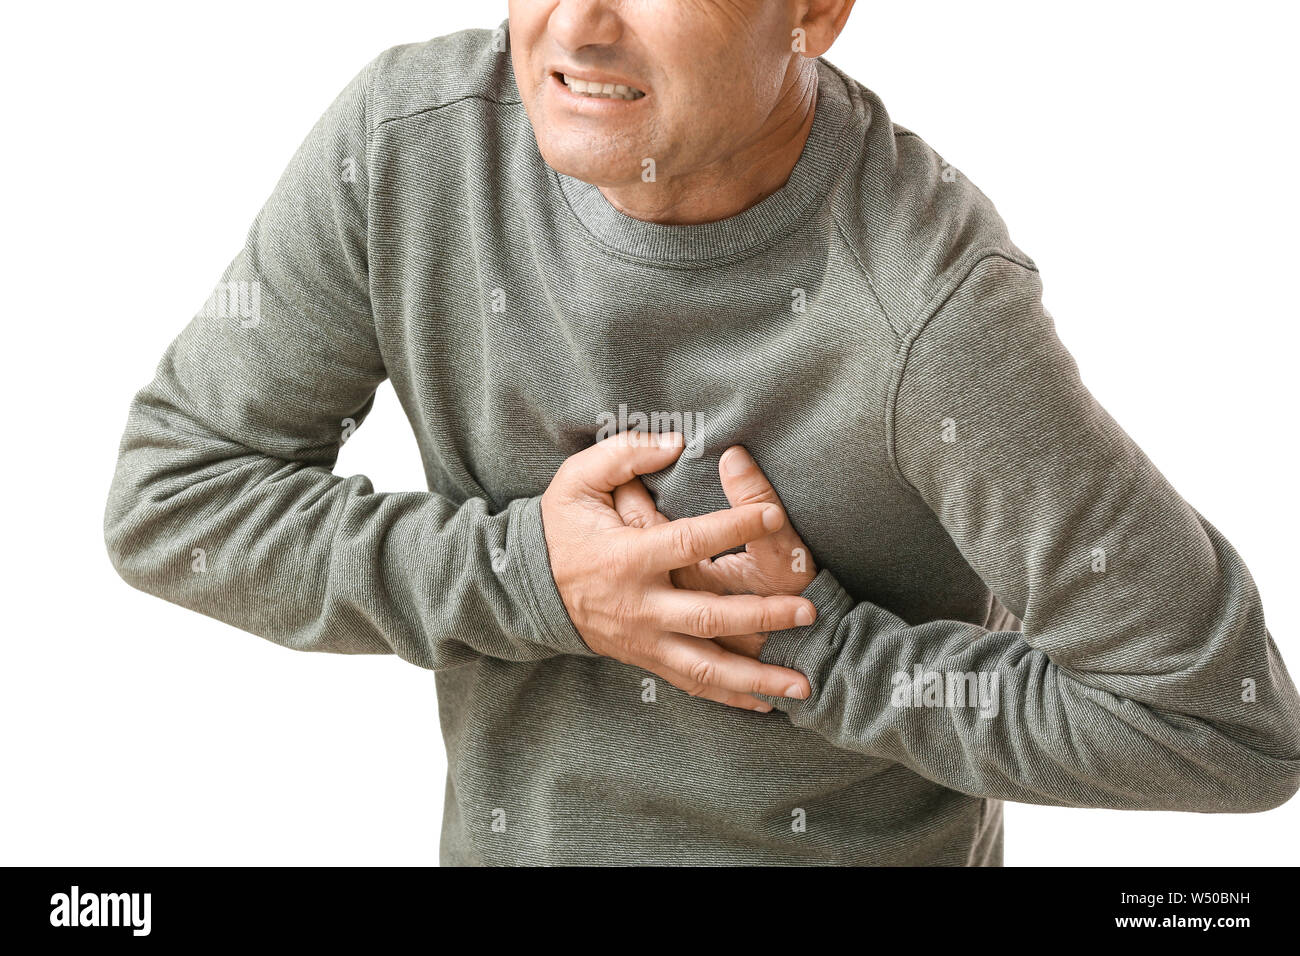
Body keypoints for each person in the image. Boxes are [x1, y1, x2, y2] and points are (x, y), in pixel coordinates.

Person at [105, 1, 1300, 865]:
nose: (575, 26)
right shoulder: (409, 147)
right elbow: (175, 502)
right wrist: (535, 580)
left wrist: (819, 658)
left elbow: (1218, 725)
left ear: (815, 11)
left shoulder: (926, 302)